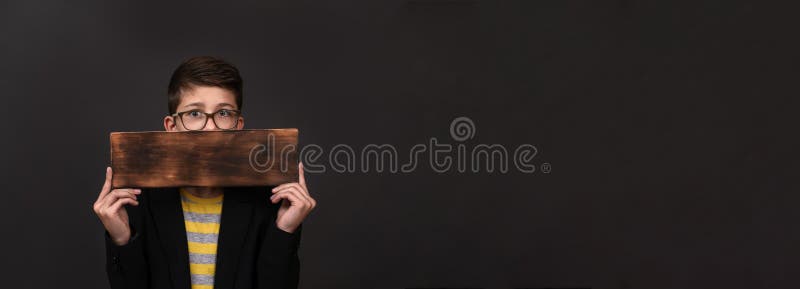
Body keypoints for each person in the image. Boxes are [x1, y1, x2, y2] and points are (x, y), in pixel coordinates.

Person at [93, 56, 316, 289]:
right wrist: (122, 240)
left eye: (223, 113)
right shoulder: (139, 203)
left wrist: (285, 231)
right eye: (195, 114)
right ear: (171, 127)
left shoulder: (268, 202)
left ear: (238, 126)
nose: (210, 127)